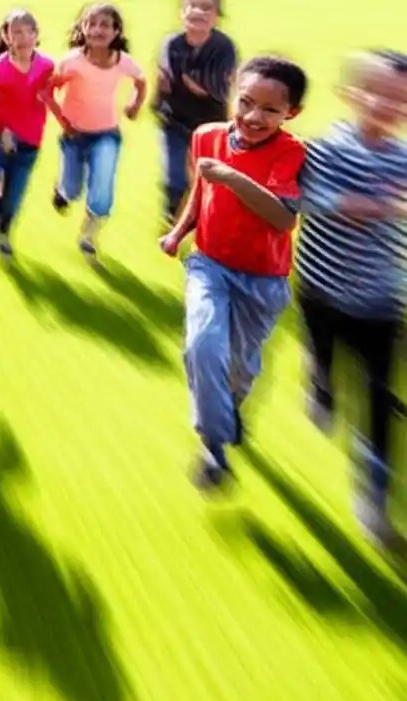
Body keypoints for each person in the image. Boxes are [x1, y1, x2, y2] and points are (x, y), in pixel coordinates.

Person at [158, 56, 308, 489]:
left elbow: (282, 218)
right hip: (209, 264)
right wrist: (179, 232)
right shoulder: (206, 136)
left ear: (290, 113)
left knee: (239, 371)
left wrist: (230, 176)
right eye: (245, 102)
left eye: (269, 109)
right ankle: (214, 448)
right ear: (232, 96)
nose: (253, 116)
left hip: (264, 279)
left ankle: (228, 413)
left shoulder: (290, 151)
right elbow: (201, 190)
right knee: (203, 348)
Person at [295, 50, 407, 548]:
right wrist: (373, 205)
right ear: (351, 94)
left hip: (381, 301)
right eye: (378, 93)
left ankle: (373, 499)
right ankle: (319, 382)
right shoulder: (327, 148)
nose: (388, 106)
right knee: (323, 363)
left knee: (380, 399)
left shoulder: (403, 159)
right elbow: (307, 199)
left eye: (400, 101)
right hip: (320, 288)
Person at [49, 2, 146, 258]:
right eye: (91, 24)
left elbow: (141, 80)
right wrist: (63, 121)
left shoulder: (122, 61)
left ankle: (89, 235)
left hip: (107, 134)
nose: (97, 29)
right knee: (72, 188)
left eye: (105, 25)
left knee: (102, 186)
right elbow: (49, 91)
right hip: (74, 135)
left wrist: (134, 104)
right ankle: (62, 190)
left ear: (116, 32)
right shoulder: (72, 61)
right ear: (82, 29)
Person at [0, 9, 56, 257]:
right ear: (6, 37)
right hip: (0, 138)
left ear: (36, 35)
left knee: (14, 197)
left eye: (27, 32)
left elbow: (53, 96)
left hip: (30, 142)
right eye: (16, 32)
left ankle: (4, 233)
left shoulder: (46, 66)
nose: (22, 37)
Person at [154, 0, 237, 226]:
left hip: (210, 124)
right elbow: (168, 75)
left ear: (217, 16)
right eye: (193, 5)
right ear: (182, 12)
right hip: (174, 120)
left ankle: (203, 216)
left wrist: (193, 81)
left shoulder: (224, 47)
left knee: (208, 175)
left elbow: (217, 86)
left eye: (207, 7)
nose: (199, 11)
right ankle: (172, 212)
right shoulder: (172, 44)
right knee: (175, 176)